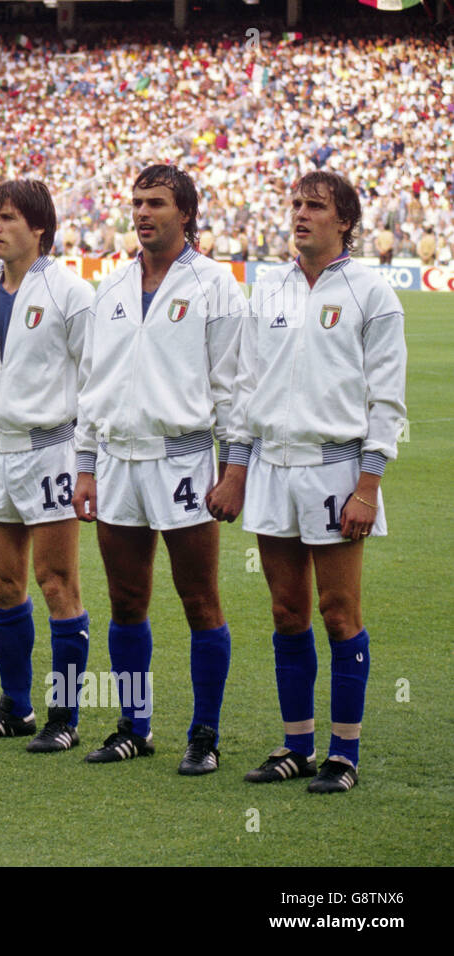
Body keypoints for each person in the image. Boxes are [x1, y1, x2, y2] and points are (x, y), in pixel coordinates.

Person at [209, 171, 406, 794]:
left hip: (335, 467)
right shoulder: (268, 289)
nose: (300, 215)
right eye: (295, 204)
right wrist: (235, 470)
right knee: (286, 609)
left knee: (337, 610)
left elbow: (387, 398)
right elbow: (243, 388)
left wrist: (368, 486)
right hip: (270, 467)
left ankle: (343, 752)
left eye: (314, 206)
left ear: (343, 221)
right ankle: (296, 743)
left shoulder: (373, 293)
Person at [72, 164, 244, 774]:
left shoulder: (215, 285)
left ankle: (205, 733)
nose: (143, 213)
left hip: (183, 461)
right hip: (117, 461)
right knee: (125, 601)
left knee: (199, 599)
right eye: (137, 203)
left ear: (186, 213)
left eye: (157, 204)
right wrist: (85, 465)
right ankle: (134, 726)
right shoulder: (111, 286)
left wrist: (235, 470)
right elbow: (92, 384)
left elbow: (232, 388)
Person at [0, 179, 94, 751]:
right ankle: (16, 707)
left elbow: (93, 381)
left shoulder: (71, 293)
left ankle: (65, 717)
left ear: (38, 228)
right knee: (0, 582)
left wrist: (88, 460)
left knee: (57, 582)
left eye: (8, 217)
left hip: (50, 449)